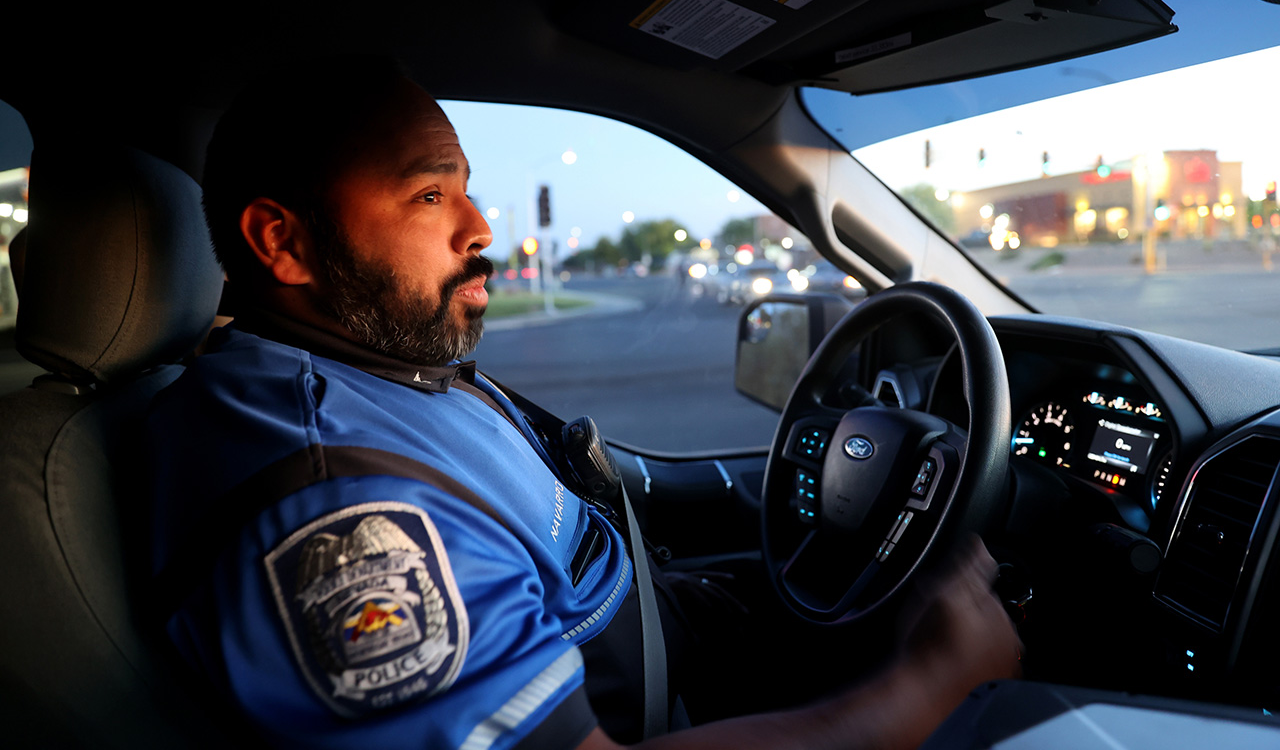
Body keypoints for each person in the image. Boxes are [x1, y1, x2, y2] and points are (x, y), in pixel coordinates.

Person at [146, 58, 1021, 749]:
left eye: (465, 187)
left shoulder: (368, 369)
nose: (480, 228)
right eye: (429, 195)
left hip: (671, 646)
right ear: (282, 242)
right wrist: (933, 684)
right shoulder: (340, 516)